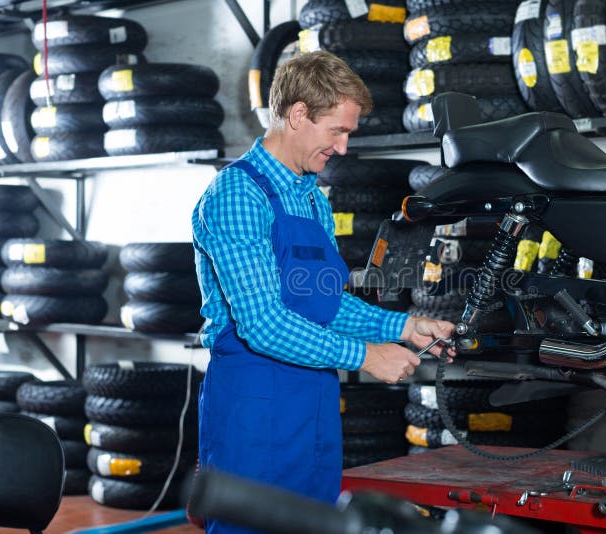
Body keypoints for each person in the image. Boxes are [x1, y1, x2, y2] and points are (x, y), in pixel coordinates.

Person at [191, 50, 455, 534]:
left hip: (314, 400)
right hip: (255, 401)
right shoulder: (237, 196)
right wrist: (368, 357)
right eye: (337, 130)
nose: (344, 148)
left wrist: (402, 326)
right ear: (296, 115)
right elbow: (264, 323)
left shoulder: (311, 196)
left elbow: (324, 304)